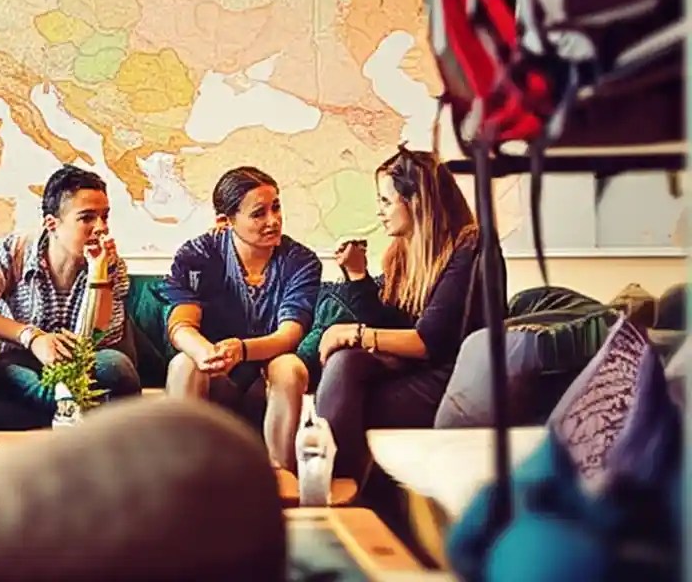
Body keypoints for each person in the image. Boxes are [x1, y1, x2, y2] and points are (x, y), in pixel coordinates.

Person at [315, 145, 501, 480]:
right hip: (416, 371)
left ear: (416, 200)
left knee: (348, 391)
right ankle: (341, 489)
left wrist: (353, 333)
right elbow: (391, 325)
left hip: (450, 377)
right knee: (346, 364)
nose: (380, 212)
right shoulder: (402, 256)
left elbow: (427, 341)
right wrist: (358, 276)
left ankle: (340, 487)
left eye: (386, 201)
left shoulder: (472, 248)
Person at [0, 164, 142, 418]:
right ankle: (63, 404)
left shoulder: (110, 263)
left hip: (84, 362)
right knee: (8, 372)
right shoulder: (13, 250)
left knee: (116, 367)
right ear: (52, 224)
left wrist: (98, 273)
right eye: (86, 218)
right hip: (23, 354)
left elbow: (97, 336)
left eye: (104, 216)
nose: (101, 227)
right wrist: (34, 338)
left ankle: (55, 403)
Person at [162, 166, 322, 470]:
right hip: (218, 374)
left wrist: (242, 349)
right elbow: (182, 323)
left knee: (289, 366)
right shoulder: (199, 254)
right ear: (225, 221)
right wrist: (205, 352)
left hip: (269, 376)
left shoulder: (300, 260)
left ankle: (282, 474)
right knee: (185, 362)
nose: (273, 220)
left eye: (276, 207)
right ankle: (185, 473)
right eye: (258, 213)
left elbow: (289, 334)